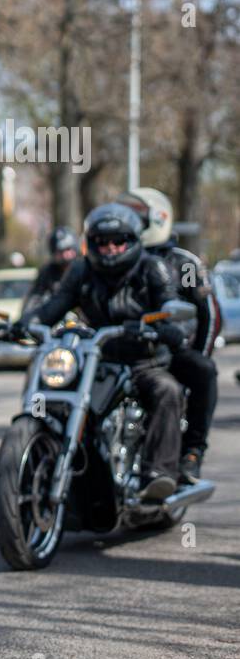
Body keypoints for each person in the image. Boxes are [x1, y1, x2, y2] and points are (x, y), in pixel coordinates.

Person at [22, 202, 184, 500]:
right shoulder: (81, 270)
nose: (109, 247)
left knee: (167, 390)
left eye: (118, 240)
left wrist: (168, 324)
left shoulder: (152, 267)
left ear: (132, 241)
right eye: (101, 241)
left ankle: (158, 474)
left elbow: (170, 305)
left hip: (143, 361)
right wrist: (26, 323)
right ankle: (26, 464)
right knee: (55, 397)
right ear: (91, 243)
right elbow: (53, 306)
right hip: (97, 360)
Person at [117, 187, 220, 483]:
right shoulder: (118, 259)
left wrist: (196, 353)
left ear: (158, 218)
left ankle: (192, 453)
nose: (129, 223)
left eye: (136, 216)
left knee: (203, 371)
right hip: (124, 348)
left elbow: (208, 314)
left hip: (170, 351)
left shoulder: (183, 262)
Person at [23, 226, 79, 314]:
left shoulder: (85, 269)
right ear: (53, 252)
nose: (65, 255)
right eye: (60, 251)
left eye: (68, 249)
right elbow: (35, 298)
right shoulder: (47, 272)